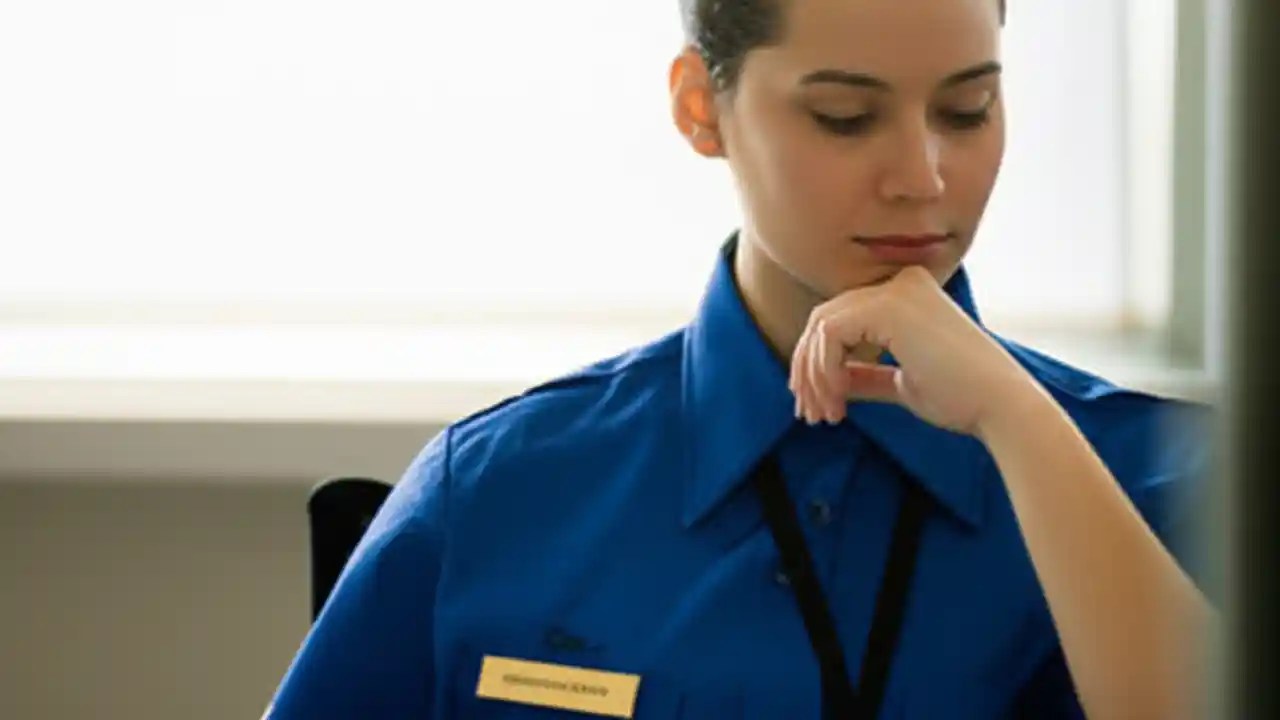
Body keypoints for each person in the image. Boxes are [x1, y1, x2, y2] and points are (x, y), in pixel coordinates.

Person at [266, 0, 1216, 717]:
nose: (923, 177)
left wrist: (1017, 423)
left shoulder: (1179, 483)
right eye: (845, 117)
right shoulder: (492, 494)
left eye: (967, 110)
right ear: (698, 109)